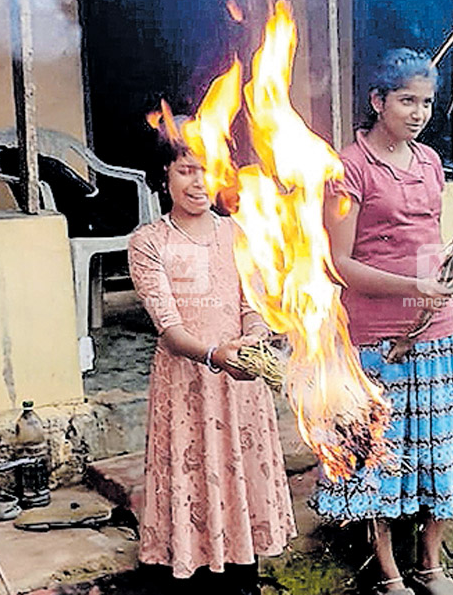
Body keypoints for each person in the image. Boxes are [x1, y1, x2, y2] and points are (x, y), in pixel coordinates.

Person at [316, 48, 453, 595]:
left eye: (427, 102)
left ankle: (431, 563)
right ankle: (388, 574)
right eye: (407, 100)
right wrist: (412, 288)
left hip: (437, 329)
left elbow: (428, 237)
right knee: (379, 454)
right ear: (377, 100)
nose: (419, 112)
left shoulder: (429, 161)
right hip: (377, 338)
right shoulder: (348, 168)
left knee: (440, 447)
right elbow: (340, 263)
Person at [127, 125, 296, 594]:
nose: (199, 182)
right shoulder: (148, 242)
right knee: (193, 476)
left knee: (239, 475)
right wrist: (215, 355)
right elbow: (171, 330)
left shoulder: (237, 234)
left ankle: (244, 578)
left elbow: (253, 308)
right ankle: (193, 576)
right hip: (186, 383)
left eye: (206, 170)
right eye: (186, 170)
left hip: (240, 384)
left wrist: (255, 342)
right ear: (164, 176)